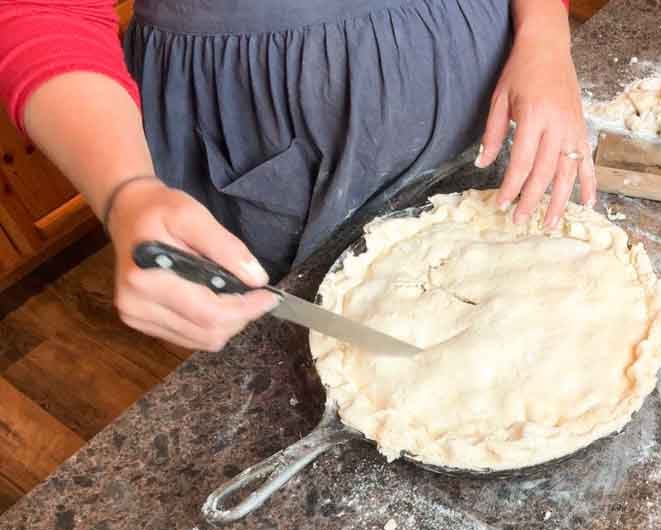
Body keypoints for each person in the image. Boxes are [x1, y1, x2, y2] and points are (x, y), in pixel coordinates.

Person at [0, 0, 595, 351]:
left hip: (488, 62)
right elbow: (43, 12)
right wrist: (125, 189)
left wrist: (544, 33)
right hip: (257, 124)